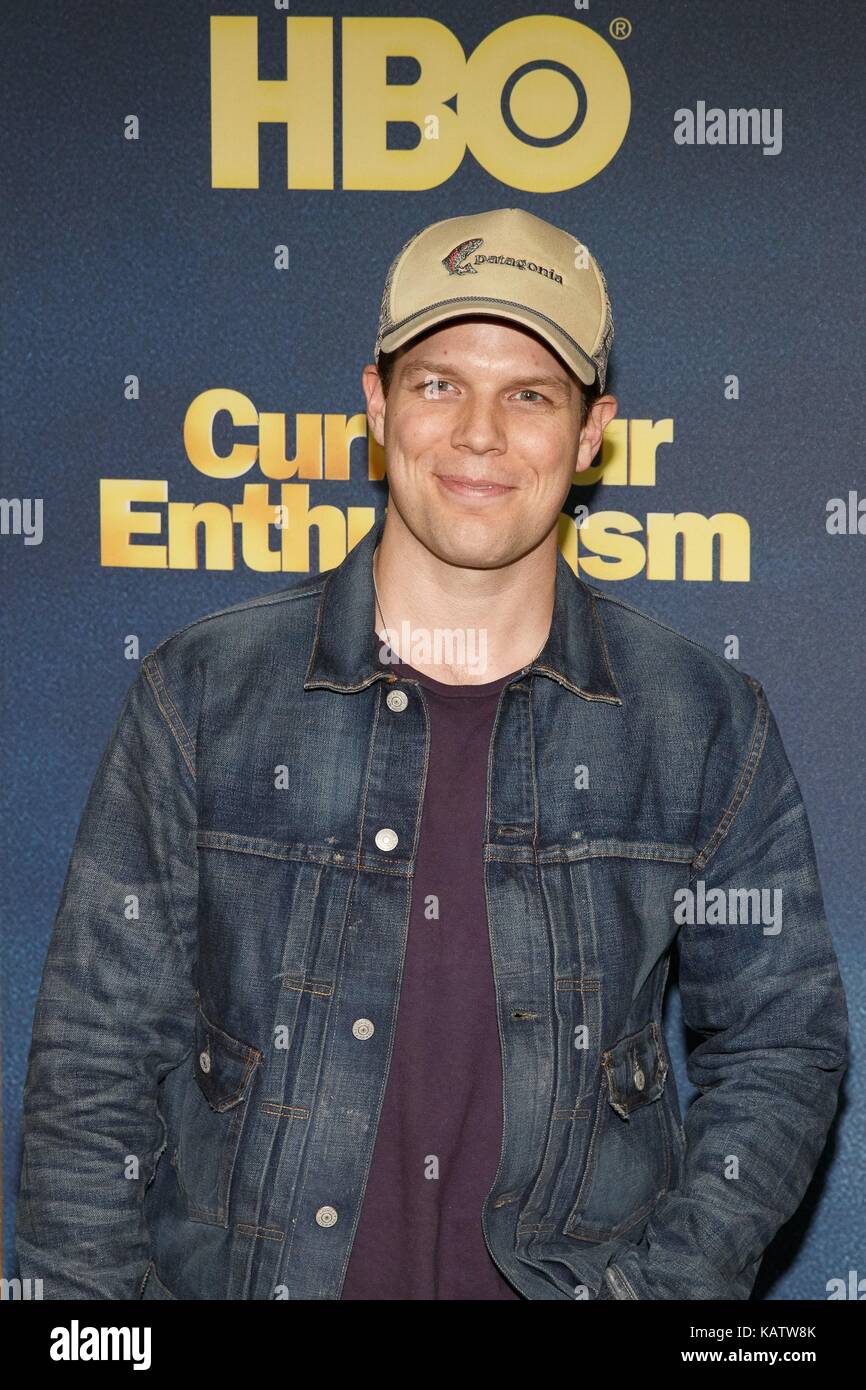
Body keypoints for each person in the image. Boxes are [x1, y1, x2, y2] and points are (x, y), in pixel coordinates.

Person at [16, 208, 848, 1301]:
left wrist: (665, 1292)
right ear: (376, 403)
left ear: (592, 430)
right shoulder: (204, 695)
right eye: (439, 382)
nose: (479, 434)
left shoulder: (697, 721)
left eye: (529, 394)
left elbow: (783, 1045)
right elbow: (90, 1072)